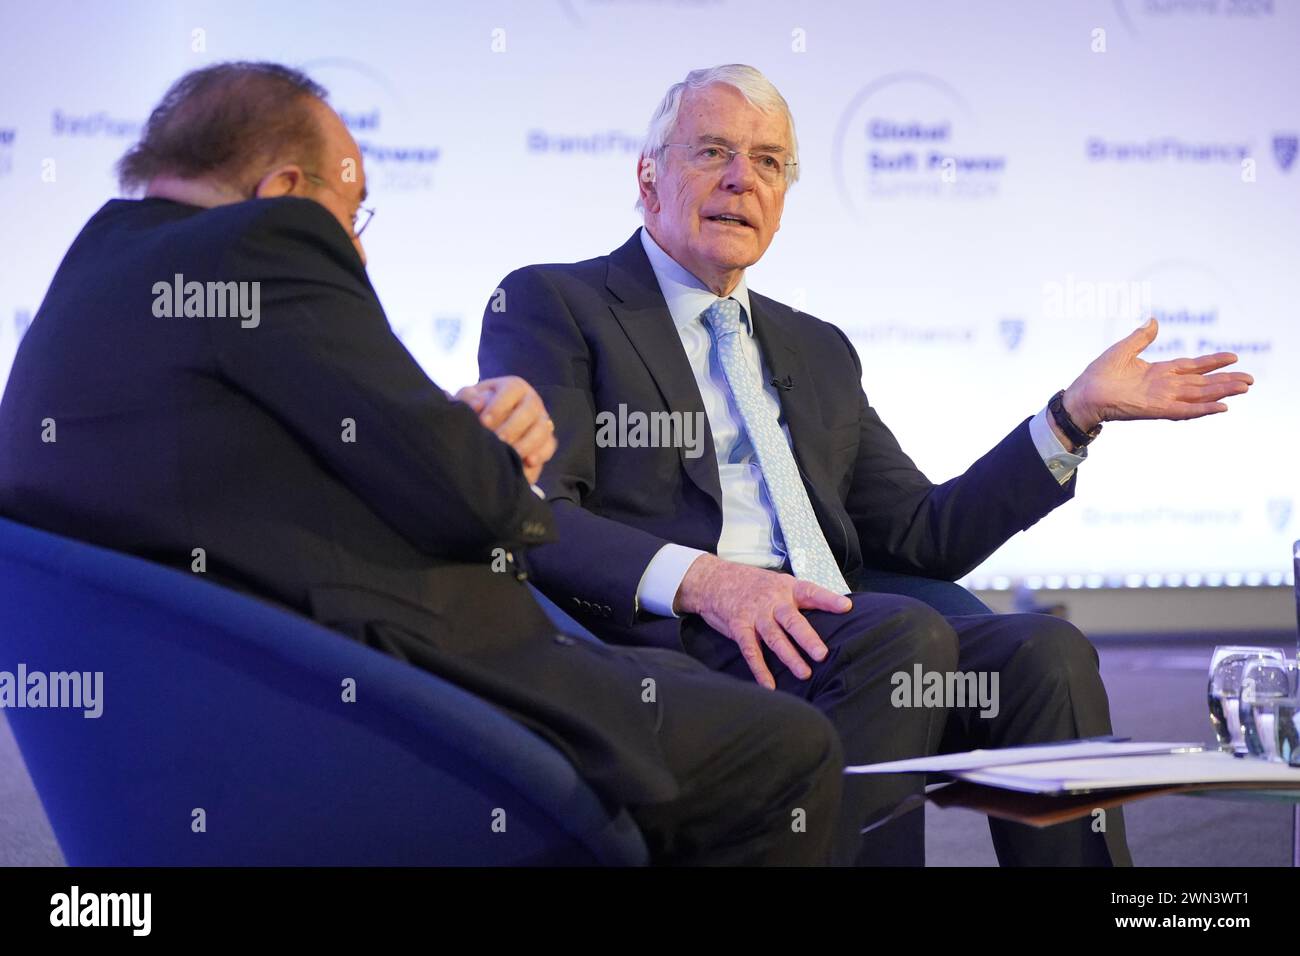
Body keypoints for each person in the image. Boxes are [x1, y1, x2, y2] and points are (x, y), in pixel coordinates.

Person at [0, 61, 846, 866]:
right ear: (289, 190)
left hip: (207, 726)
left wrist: (443, 433)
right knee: (785, 747)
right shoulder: (269, 242)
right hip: (401, 703)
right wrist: (493, 445)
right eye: (354, 209)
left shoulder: (96, 266)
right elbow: (478, 502)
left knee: (671, 679)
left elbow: (262, 467)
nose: (358, 252)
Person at [477, 63, 1254, 866]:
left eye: (769, 162)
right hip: (680, 643)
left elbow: (925, 534)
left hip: (842, 639)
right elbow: (538, 514)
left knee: (1044, 655)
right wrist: (710, 581)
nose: (743, 179)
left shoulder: (816, 348)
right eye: (712, 151)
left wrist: (1072, 416)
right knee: (901, 634)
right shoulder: (556, 305)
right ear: (649, 176)